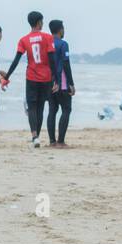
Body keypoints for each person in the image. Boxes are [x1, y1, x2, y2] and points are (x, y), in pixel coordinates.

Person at [1, 11, 56, 148]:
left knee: (32, 107)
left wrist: (6, 76)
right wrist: (56, 79)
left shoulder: (23, 40)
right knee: (41, 107)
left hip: (31, 77)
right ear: (38, 22)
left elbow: (16, 60)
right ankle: (37, 136)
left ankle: (34, 136)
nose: (42, 24)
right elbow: (52, 60)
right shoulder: (48, 37)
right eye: (42, 21)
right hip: (46, 78)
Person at [46, 20, 76, 148]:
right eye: (63, 28)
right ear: (60, 30)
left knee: (52, 110)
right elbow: (65, 63)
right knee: (66, 109)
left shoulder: (46, 43)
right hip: (62, 83)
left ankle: (52, 142)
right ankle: (61, 141)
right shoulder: (63, 44)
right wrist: (71, 83)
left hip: (49, 82)